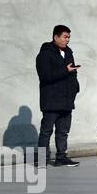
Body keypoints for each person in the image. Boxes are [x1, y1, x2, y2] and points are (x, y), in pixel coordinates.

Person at [35, 24, 81, 168]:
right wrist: (65, 70)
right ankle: (42, 160)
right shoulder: (44, 54)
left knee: (63, 131)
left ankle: (61, 157)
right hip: (51, 100)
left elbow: (72, 72)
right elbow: (45, 76)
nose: (67, 40)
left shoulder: (68, 53)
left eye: (69, 37)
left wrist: (75, 88)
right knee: (46, 131)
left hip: (67, 100)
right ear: (56, 37)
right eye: (65, 37)